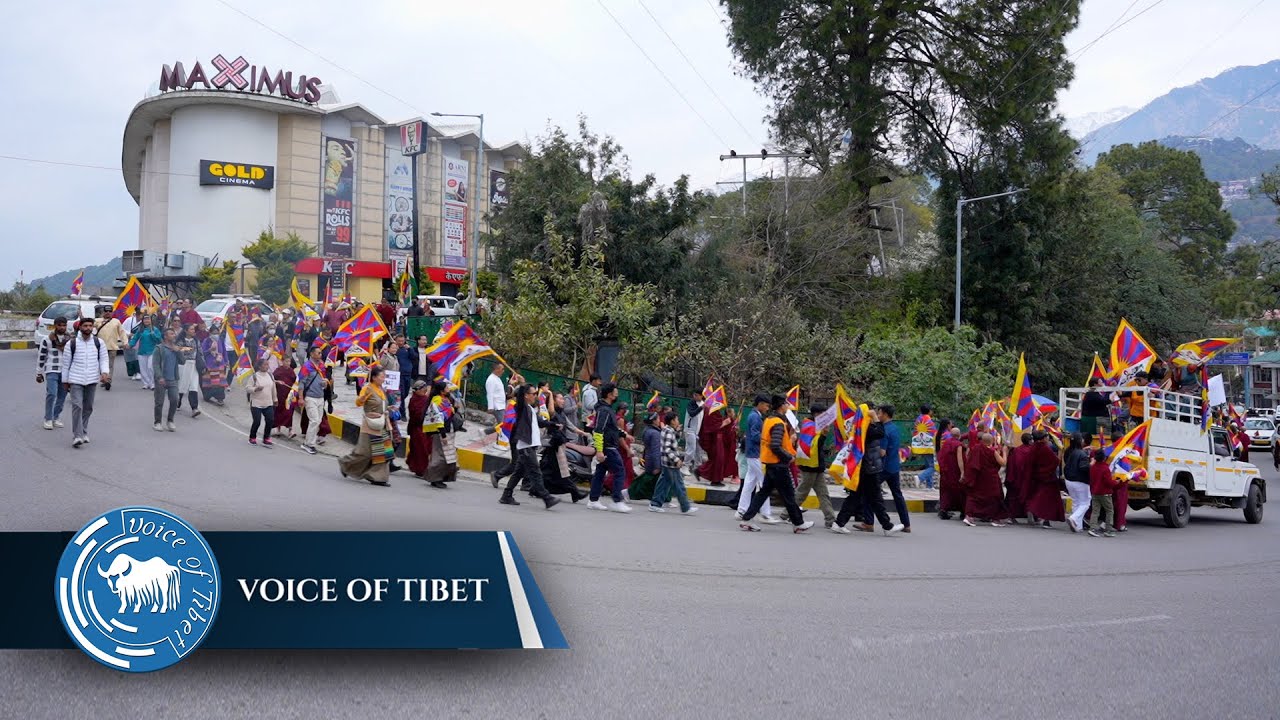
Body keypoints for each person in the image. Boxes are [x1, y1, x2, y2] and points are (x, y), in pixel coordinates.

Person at [738, 396, 814, 533]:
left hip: (771, 463)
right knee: (789, 495)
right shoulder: (778, 423)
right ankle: (798, 523)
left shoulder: (768, 420)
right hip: (778, 464)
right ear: (781, 406)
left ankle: (747, 519)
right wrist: (788, 456)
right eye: (786, 404)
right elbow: (775, 445)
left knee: (763, 493)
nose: (788, 406)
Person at [499, 384, 560, 509]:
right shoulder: (521, 407)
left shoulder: (530, 409)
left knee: (518, 473)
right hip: (526, 446)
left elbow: (539, 422)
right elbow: (519, 398)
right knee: (536, 472)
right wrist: (521, 383)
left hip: (529, 446)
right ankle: (547, 498)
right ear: (526, 396)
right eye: (533, 394)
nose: (535, 396)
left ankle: (506, 495)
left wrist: (552, 424)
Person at [339, 365, 393, 486]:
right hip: (371, 424)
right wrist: (363, 397)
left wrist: (389, 408)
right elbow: (358, 403)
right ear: (374, 377)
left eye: (384, 376)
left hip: (382, 423)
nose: (384, 378)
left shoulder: (382, 389)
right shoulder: (368, 388)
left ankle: (377, 476)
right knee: (364, 452)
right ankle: (346, 464)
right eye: (381, 376)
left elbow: (381, 405)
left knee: (384, 451)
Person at [62, 317, 109, 449]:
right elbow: (65, 364)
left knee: (88, 407)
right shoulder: (71, 344)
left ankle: (84, 431)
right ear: (80, 327)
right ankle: (77, 436)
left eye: (90, 326)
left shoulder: (99, 343)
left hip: (92, 380)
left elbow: (104, 360)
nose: (88, 328)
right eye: (85, 326)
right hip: (75, 379)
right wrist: (65, 381)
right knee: (77, 406)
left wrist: (105, 372)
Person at [587, 383, 632, 512]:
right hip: (608, 447)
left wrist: (624, 434)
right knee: (619, 471)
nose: (617, 394)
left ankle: (593, 500)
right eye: (615, 392)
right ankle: (617, 500)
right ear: (609, 394)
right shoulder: (604, 410)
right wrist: (600, 451)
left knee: (600, 473)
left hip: (608, 445)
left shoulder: (607, 409)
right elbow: (599, 430)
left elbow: (612, 428)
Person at [735, 395, 776, 522]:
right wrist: (768, 439)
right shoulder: (755, 417)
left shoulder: (755, 416)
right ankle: (765, 513)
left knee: (749, 483)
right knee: (764, 483)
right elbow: (755, 436)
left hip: (752, 453)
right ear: (760, 404)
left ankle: (741, 510)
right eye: (766, 405)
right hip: (756, 453)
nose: (767, 408)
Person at [542, 392, 590, 503]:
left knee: (548, 469)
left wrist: (582, 433)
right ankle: (575, 493)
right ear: (553, 401)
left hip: (558, 444)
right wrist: (549, 393)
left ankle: (535, 489)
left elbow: (570, 426)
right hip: (555, 444)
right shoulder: (553, 413)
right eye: (560, 398)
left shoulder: (561, 413)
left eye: (563, 399)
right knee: (563, 471)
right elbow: (551, 411)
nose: (563, 401)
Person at [794, 403, 836, 528]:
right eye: (823, 413)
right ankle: (787, 515)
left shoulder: (815, 425)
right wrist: (823, 435)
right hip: (809, 466)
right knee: (802, 493)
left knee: (823, 493)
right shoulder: (810, 425)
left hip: (817, 466)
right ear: (816, 414)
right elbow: (813, 447)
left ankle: (830, 519)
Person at [651, 411, 697, 514]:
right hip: (670, 463)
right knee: (679, 485)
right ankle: (685, 507)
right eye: (676, 419)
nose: (678, 421)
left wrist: (677, 431)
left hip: (667, 462)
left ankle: (655, 503)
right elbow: (667, 449)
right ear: (672, 421)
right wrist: (676, 460)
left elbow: (674, 441)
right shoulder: (668, 431)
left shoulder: (668, 430)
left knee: (663, 484)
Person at [962, 433, 1009, 527]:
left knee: (974, 497)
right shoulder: (992, 451)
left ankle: (969, 517)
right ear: (991, 441)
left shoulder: (975, 449)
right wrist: (1004, 452)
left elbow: (969, 461)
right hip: (990, 479)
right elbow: (1003, 463)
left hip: (978, 477)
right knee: (996, 497)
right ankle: (996, 519)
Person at [878, 405, 911, 532]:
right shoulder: (895, 428)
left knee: (869, 492)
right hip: (894, 466)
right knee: (898, 496)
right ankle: (906, 524)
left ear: (885, 414)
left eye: (879, 413)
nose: (878, 415)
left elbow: (882, 452)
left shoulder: (884, 430)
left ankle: (868, 522)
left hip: (883, 467)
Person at [423, 380, 460, 489]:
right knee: (440, 457)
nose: (449, 389)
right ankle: (435, 479)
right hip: (440, 432)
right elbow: (438, 419)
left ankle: (441, 477)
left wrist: (455, 407)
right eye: (447, 388)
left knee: (448, 457)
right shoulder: (437, 401)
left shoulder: (446, 400)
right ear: (442, 391)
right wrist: (443, 435)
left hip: (449, 430)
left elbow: (450, 414)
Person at [1024, 431, 1066, 527]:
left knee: (1039, 497)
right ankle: (1043, 518)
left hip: (1037, 477)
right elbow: (1055, 461)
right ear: (1042, 439)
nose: (1047, 439)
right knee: (1049, 500)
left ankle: (1034, 512)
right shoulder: (1044, 448)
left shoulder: (1033, 448)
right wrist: (1060, 450)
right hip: (1048, 478)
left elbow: (1029, 464)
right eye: (1046, 437)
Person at [36, 316, 71, 430]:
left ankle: (55, 417)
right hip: (51, 369)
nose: (62, 327)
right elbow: (42, 356)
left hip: (65, 371)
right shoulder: (47, 339)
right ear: (55, 325)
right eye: (59, 325)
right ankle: (48, 419)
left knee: (62, 396)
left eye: (64, 325)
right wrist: (39, 372)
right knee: (52, 393)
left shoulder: (70, 340)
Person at [300, 345, 331, 455]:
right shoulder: (306, 366)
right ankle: (309, 444)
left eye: (321, 353)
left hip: (320, 397)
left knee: (317, 421)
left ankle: (308, 442)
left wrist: (324, 383)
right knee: (314, 420)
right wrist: (300, 398)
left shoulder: (322, 365)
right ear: (312, 354)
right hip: (310, 397)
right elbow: (301, 383)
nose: (320, 355)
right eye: (318, 353)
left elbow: (321, 380)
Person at [152, 327, 183, 432]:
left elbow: (182, 361)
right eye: (171, 334)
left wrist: (178, 351)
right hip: (161, 380)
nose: (174, 335)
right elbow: (155, 364)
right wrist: (159, 377)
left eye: (174, 334)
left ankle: (170, 420)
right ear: (165, 336)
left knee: (175, 400)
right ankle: (157, 422)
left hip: (173, 379)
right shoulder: (159, 348)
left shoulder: (176, 348)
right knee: (159, 402)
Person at [1062, 433, 1093, 533]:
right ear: (1080, 441)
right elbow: (1083, 467)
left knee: (1076, 502)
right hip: (1080, 481)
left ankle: (1078, 526)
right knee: (1085, 503)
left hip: (1069, 480)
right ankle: (1074, 518)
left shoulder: (1070, 452)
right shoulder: (1082, 454)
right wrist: (1091, 463)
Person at [631, 414, 664, 504]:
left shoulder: (647, 430)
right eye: (658, 419)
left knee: (652, 480)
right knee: (647, 480)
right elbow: (656, 450)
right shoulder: (655, 433)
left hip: (649, 458)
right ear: (653, 421)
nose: (659, 420)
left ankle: (662, 499)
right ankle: (629, 493)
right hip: (653, 460)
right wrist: (657, 465)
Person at [1087, 448, 1119, 537]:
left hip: (1094, 492)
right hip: (1105, 493)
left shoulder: (1093, 467)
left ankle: (1092, 528)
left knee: (1095, 511)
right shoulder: (1105, 468)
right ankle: (1108, 529)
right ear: (1104, 458)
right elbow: (1108, 482)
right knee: (1109, 511)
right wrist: (1116, 482)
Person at [937, 427, 967, 520]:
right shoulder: (958, 445)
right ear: (959, 435)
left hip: (946, 471)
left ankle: (944, 510)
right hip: (955, 471)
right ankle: (963, 511)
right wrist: (962, 472)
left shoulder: (946, 443)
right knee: (960, 491)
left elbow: (941, 456)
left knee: (946, 491)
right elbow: (960, 459)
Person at [1004, 432, 1034, 523]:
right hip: (1027, 478)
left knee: (1014, 498)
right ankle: (1031, 516)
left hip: (1016, 478)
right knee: (1029, 497)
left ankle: (1011, 517)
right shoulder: (1032, 451)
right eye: (1031, 439)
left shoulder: (1016, 450)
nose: (1033, 441)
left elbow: (1011, 464)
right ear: (1029, 441)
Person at [247, 358, 277, 447]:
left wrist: (275, 399)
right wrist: (255, 389)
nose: (266, 367)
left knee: (270, 420)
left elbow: (273, 388)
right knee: (257, 421)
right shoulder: (254, 377)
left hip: (268, 402)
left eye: (267, 365)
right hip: (256, 403)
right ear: (259, 366)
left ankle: (266, 438)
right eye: (265, 365)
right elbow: (248, 388)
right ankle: (252, 437)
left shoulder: (270, 376)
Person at [94, 309, 126, 390]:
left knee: (110, 365)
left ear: (112, 313)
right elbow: (86, 323)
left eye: (110, 311)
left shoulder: (116, 321)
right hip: (100, 347)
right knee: (101, 365)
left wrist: (125, 342)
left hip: (112, 347)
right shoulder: (98, 321)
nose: (108, 313)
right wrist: (80, 315)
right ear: (103, 312)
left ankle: (108, 380)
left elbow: (122, 332)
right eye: (106, 311)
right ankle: (104, 378)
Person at [176, 323, 203, 417]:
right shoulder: (180, 341)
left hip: (194, 365)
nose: (193, 331)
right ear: (186, 331)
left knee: (193, 386)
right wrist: (186, 349)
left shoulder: (196, 341)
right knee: (182, 385)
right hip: (184, 365)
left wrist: (203, 365)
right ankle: (177, 402)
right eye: (191, 329)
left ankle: (194, 408)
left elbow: (200, 352)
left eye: (193, 329)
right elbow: (178, 350)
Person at [406, 381, 433, 478]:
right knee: (420, 448)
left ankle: (418, 467)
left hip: (426, 427)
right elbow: (414, 414)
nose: (424, 390)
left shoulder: (425, 399)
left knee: (424, 448)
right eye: (422, 389)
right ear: (417, 390)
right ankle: (421, 470)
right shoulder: (414, 399)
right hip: (417, 427)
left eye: (425, 388)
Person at [129, 314, 162, 390]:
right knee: (143, 369)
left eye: (148, 319)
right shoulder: (140, 329)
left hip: (152, 351)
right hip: (142, 352)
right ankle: (146, 383)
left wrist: (153, 334)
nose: (146, 321)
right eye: (145, 319)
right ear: (143, 321)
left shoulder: (155, 329)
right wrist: (130, 345)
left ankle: (153, 383)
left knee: (150, 367)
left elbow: (159, 340)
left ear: (151, 320)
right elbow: (135, 338)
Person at [914, 405, 937, 489]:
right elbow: (933, 433)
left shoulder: (918, 419)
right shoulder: (928, 420)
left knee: (928, 465)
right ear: (929, 411)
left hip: (920, 445)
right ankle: (920, 477)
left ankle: (929, 485)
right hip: (929, 445)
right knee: (933, 466)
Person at [683, 391, 705, 474]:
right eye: (694, 395)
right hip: (690, 429)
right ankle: (685, 466)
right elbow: (692, 413)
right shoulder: (691, 403)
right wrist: (701, 408)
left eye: (696, 395)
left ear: (701, 395)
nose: (694, 396)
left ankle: (698, 467)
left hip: (698, 431)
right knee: (691, 449)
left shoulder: (703, 403)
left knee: (699, 450)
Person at [485, 364, 509, 438]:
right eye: (502, 369)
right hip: (497, 406)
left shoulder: (497, 378)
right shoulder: (491, 379)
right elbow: (490, 393)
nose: (503, 371)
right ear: (497, 369)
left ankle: (486, 432)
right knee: (503, 424)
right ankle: (499, 441)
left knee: (502, 424)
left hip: (501, 405)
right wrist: (490, 407)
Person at [122, 307, 142, 381]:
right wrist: (128, 334)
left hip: (138, 341)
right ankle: (133, 372)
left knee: (137, 356)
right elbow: (122, 329)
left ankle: (138, 372)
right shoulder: (129, 320)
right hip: (128, 339)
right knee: (129, 357)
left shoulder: (143, 322)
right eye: (139, 314)